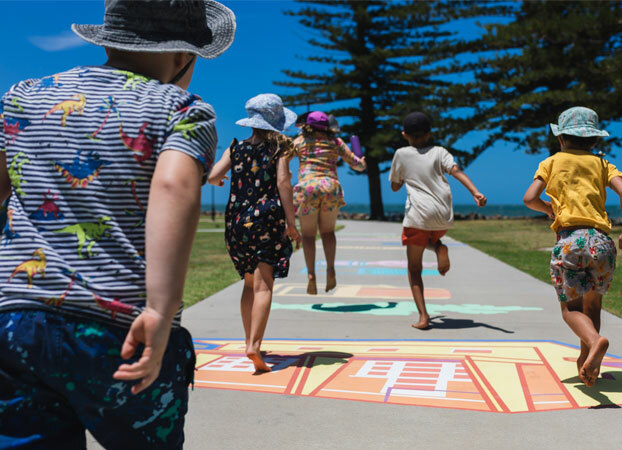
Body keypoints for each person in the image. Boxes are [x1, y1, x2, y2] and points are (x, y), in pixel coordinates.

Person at [0, 0, 235, 447]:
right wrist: (160, 311)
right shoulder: (184, 109)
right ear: (184, 56)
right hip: (120, 327)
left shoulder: (23, 95)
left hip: (17, 322)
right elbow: (174, 189)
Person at [522, 106, 622, 387]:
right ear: (595, 140)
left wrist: (549, 209)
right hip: (601, 242)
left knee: (570, 310)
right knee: (593, 306)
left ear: (560, 138)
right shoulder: (601, 164)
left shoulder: (551, 162)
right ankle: (588, 363)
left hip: (570, 241)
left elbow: (529, 198)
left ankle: (595, 342)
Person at [207, 94, 301, 372]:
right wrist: (291, 222)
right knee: (264, 286)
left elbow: (213, 176)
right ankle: (254, 346)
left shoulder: (234, 148)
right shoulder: (279, 148)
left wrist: (222, 179)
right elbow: (283, 182)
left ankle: (248, 339)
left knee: (249, 284)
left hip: (236, 222)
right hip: (267, 220)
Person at [389, 112, 487, 329]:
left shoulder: (401, 154)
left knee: (414, 269)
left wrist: (404, 177)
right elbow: (456, 170)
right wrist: (475, 192)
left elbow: (395, 186)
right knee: (427, 238)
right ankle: (439, 248)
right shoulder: (440, 151)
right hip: (442, 214)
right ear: (429, 133)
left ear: (404, 134)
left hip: (418, 215)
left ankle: (423, 317)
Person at [288, 111, 366, 295]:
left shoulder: (299, 142)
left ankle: (311, 275)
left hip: (307, 189)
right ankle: (330, 269)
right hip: (330, 187)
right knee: (328, 233)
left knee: (308, 236)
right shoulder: (335, 142)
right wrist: (361, 161)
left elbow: (281, 159)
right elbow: (357, 165)